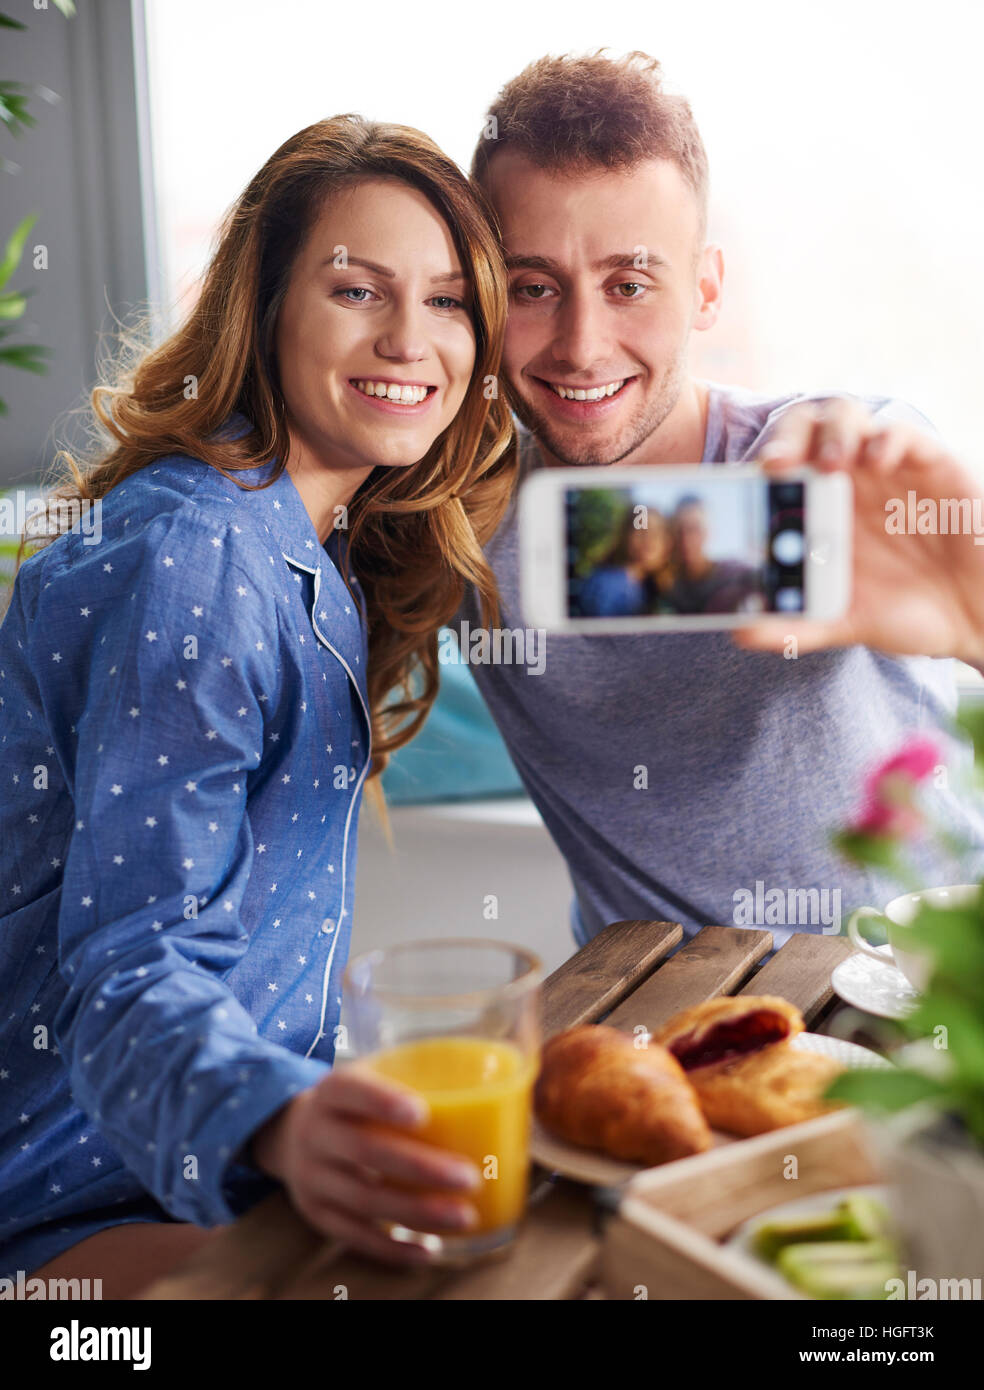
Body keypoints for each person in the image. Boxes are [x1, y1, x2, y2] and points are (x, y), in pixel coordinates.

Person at [0, 115, 517, 1292]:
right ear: (267, 304)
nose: (409, 338)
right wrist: (279, 1122)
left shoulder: (304, 536)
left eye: (448, 303)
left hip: (160, 1166)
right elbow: (132, 962)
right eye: (356, 290)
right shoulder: (203, 555)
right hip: (63, 1200)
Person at [452, 49, 984, 951]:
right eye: (535, 287)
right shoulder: (457, 527)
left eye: (630, 284)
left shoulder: (845, 469)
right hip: (657, 1025)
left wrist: (972, 620)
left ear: (704, 289)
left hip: (920, 1003)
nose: (583, 345)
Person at [662, 494, 762, 614]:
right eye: (679, 530)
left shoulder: (735, 575)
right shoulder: (663, 583)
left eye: (694, 529)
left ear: (708, 531)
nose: (686, 539)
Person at [575, 505, 675, 616]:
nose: (649, 539)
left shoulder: (655, 588)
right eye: (641, 529)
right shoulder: (609, 585)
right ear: (626, 536)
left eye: (657, 532)